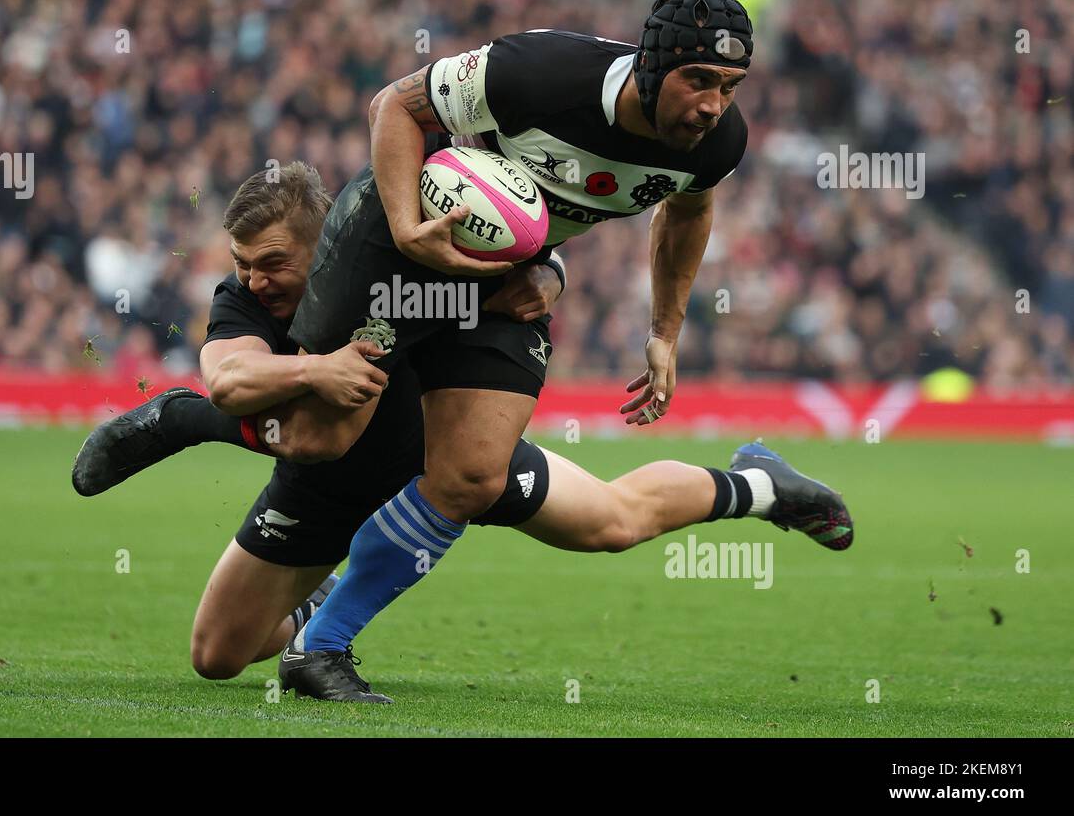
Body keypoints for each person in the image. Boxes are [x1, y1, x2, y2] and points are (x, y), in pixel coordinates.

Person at [73, 153, 852, 702]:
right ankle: (295, 577)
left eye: (273, 261)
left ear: (329, 242)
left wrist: (546, 274)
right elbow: (230, 377)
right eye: (242, 262)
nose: (252, 279)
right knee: (217, 657)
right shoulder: (247, 298)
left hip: (442, 462)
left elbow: (518, 247)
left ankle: (760, 484)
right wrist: (314, 370)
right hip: (324, 482)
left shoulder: (400, 260)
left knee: (613, 523)